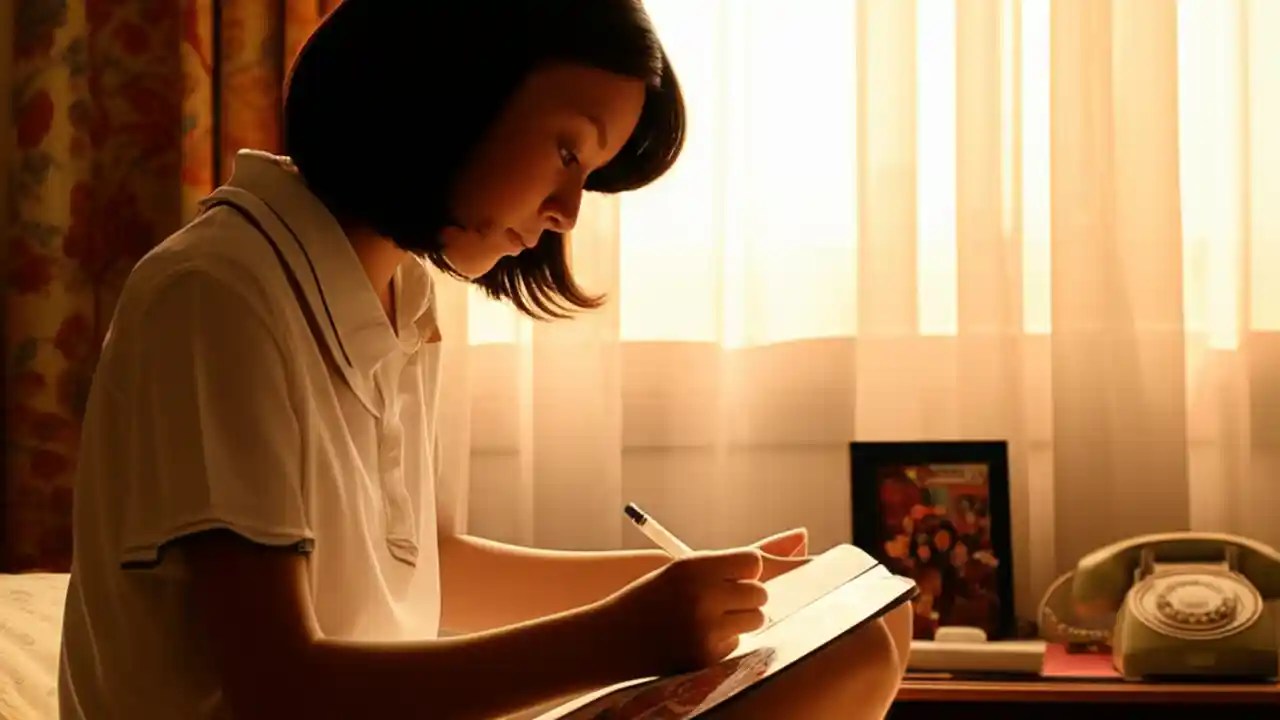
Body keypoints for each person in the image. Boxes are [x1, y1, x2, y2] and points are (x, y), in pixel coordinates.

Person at [58, 2, 911, 719]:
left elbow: (438, 569)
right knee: (847, 662)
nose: (569, 213)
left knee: (868, 631)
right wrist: (620, 636)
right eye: (569, 152)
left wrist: (687, 583)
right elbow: (279, 687)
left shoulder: (405, 301)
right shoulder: (217, 293)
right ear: (454, 91)